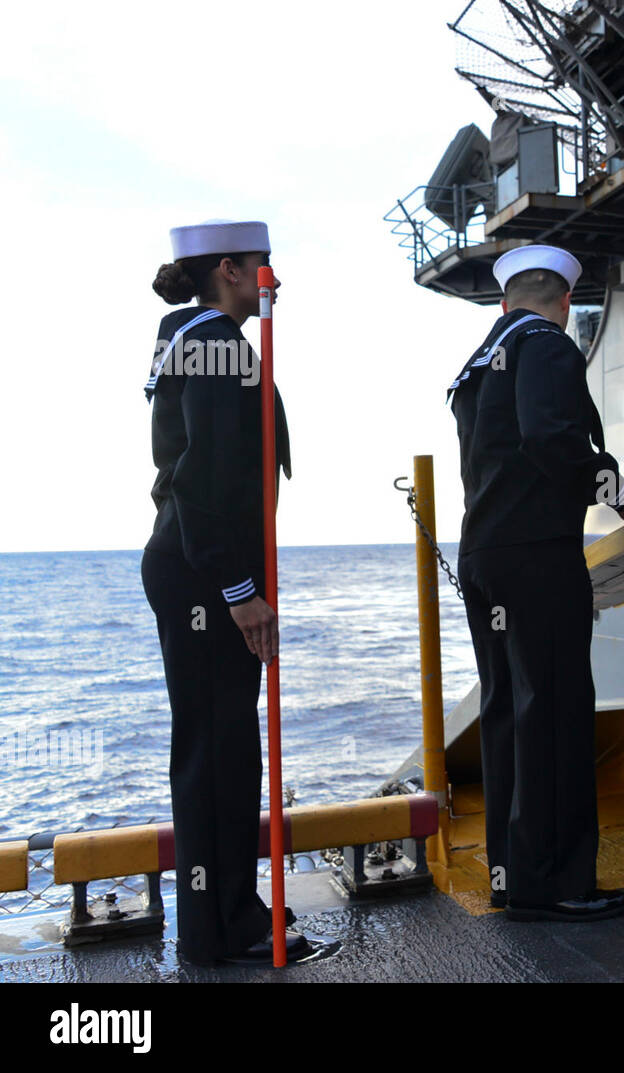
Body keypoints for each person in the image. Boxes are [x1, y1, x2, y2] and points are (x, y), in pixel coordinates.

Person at [448, 244, 624, 921]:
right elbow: (553, 439)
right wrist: (623, 494)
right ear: (565, 303)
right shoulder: (547, 344)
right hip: (538, 556)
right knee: (558, 712)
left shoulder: (476, 364)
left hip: (484, 553)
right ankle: (561, 883)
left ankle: (516, 875)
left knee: (509, 712)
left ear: (504, 299)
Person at [141, 219, 303, 966]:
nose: (274, 280)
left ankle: (234, 909)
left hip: (205, 566)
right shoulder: (214, 341)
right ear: (232, 270)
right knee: (215, 752)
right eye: (265, 267)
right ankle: (218, 927)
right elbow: (204, 480)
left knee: (227, 748)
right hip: (207, 572)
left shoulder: (201, 336)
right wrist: (241, 590)